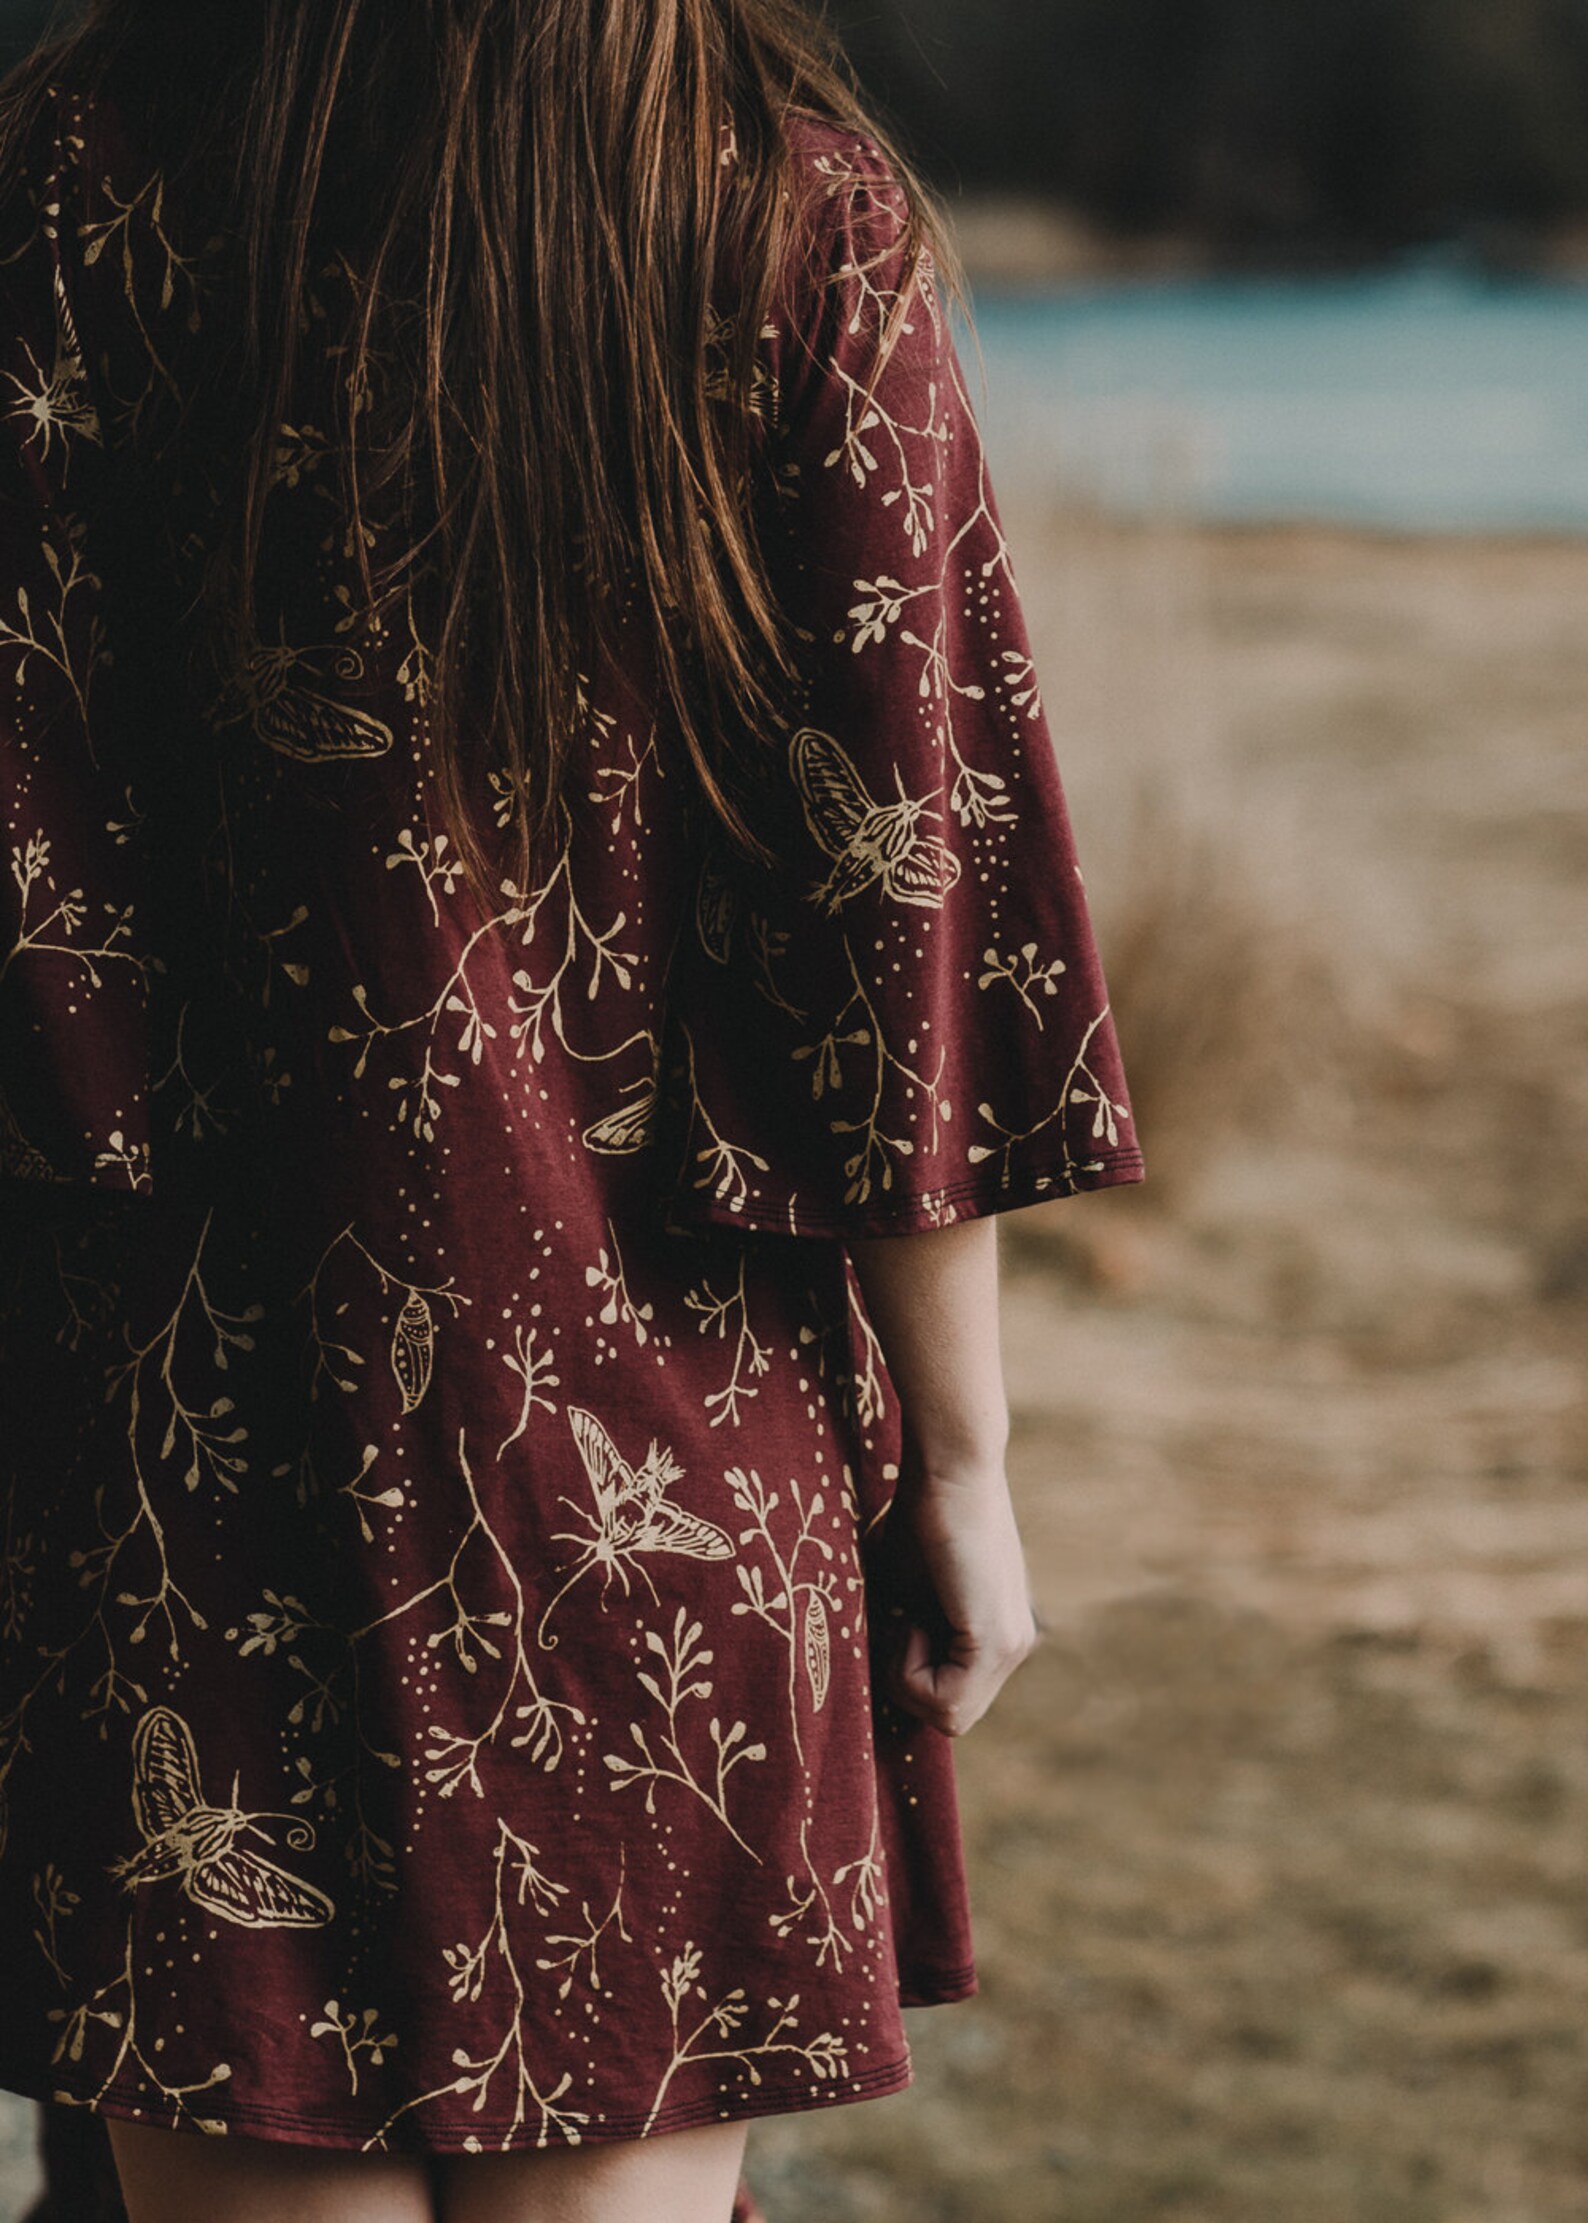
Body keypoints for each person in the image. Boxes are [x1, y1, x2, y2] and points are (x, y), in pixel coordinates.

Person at [0, 3, 1143, 2218]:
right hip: (655, 1464)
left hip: (179, 1451)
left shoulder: (68, 166)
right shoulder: (780, 206)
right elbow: (894, 903)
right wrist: (971, 1466)